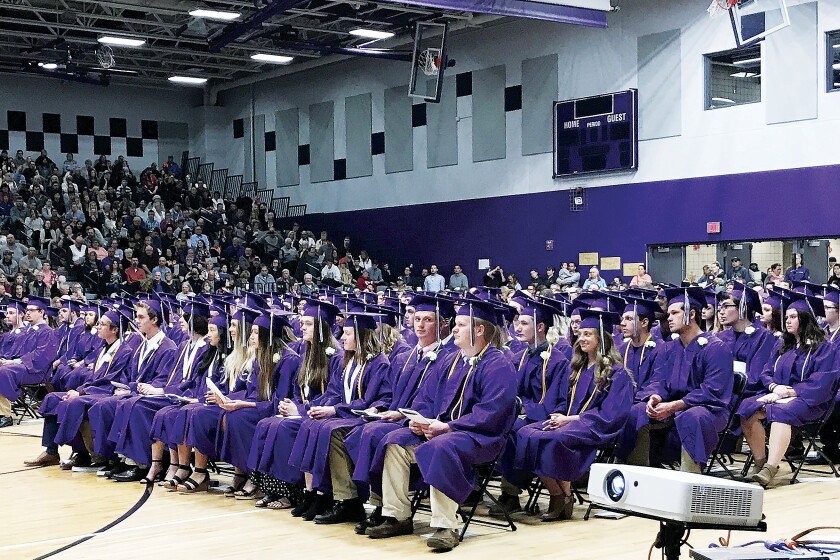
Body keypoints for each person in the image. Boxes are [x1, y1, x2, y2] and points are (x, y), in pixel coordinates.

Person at [365, 299, 517, 552]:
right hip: (443, 432)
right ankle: (397, 516)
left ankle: (446, 526)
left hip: (481, 437)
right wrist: (418, 420)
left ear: (479, 331)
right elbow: (426, 398)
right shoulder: (451, 360)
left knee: (441, 446)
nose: (454, 329)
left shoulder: (498, 364)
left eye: (460, 325)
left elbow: (491, 413)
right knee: (395, 443)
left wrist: (448, 427)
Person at [509, 309, 633, 521]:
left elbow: (610, 415)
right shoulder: (576, 367)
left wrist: (570, 420)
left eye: (588, 334)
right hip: (568, 422)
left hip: (595, 426)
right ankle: (561, 495)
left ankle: (560, 497)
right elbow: (560, 400)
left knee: (553, 439)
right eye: (580, 333)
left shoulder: (616, 373)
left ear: (601, 338)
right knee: (527, 433)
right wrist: (558, 416)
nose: (581, 338)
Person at [292, 312, 392, 524]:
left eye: (347, 333)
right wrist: (319, 407)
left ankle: (348, 500)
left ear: (362, 336)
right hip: (344, 415)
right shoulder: (349, 360)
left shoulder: (379, 363)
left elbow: (371, 400)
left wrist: (335, 411)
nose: (342, 338)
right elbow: (334, 392)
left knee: (332, 429)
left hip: (362, 417)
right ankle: (318, 492)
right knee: (312, 423)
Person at [622, 287, 734, 472]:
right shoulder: (669, 348)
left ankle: (689, 479)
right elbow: (660, 380)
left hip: (709, 409)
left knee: (693, 416)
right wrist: (655, 397)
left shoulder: (716, 348)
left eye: (674, 313)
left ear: (691, 314)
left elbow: (712, 391)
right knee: (637, 412)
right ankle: (636, 475)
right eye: (668, 314)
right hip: (672, 406)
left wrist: (676, 405)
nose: (669, 318)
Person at [738, 292, 837, 487]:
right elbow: (766, 371)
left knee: (780, 412)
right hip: (780, 395)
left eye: (793, 317)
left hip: (811, 401)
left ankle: (771, 468)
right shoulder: (783, 344)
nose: (788, 321)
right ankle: (759, 463)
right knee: (747, 407)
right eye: (786, 317)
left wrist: (790, 392)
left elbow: (822, 382)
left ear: (805, 318)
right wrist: (774, 387)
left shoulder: (824, 348)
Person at [23, 309, 136, 467]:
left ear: (115, 329)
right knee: (52, 398)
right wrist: (79, 390)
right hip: (93, 390)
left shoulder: (124, 351)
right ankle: (51, 452)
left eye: (102, 324)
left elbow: (109, 380)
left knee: (74, 403)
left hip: (107, 392)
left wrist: (80, 392)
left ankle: (88, 454)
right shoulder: (102, 349)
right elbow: (93, 377)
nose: (98, 327)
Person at [492, 296, 571, 516]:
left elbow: (557, 402)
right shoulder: (521, 356)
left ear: (540, 326)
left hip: (544, 416)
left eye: (524, 323)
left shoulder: (557, 361)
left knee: (514, 430)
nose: (517, 327)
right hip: (521, 414)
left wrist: (524, 409)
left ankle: (510, 492)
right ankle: (506, 491)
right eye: (518, 322)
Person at [0, 296, 56, 426]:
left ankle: (5, 414)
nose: (28, 313)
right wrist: (6, 360)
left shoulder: (47, 332)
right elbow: (17, 352)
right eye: (28, 310)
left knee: (3, 372)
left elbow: (40, 356)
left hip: (37, 371)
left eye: (32, 310)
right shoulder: (28, 331)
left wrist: (14, 362)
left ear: (41, 312)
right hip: (23, 367)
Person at [715, 284, 776, 395]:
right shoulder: (720, 337)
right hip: (720, 392)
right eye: (720, 308)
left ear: (742, 306)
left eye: (726, 306)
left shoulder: (764, 337)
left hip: (747, 395)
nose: (721, 312)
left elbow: (756, 376)